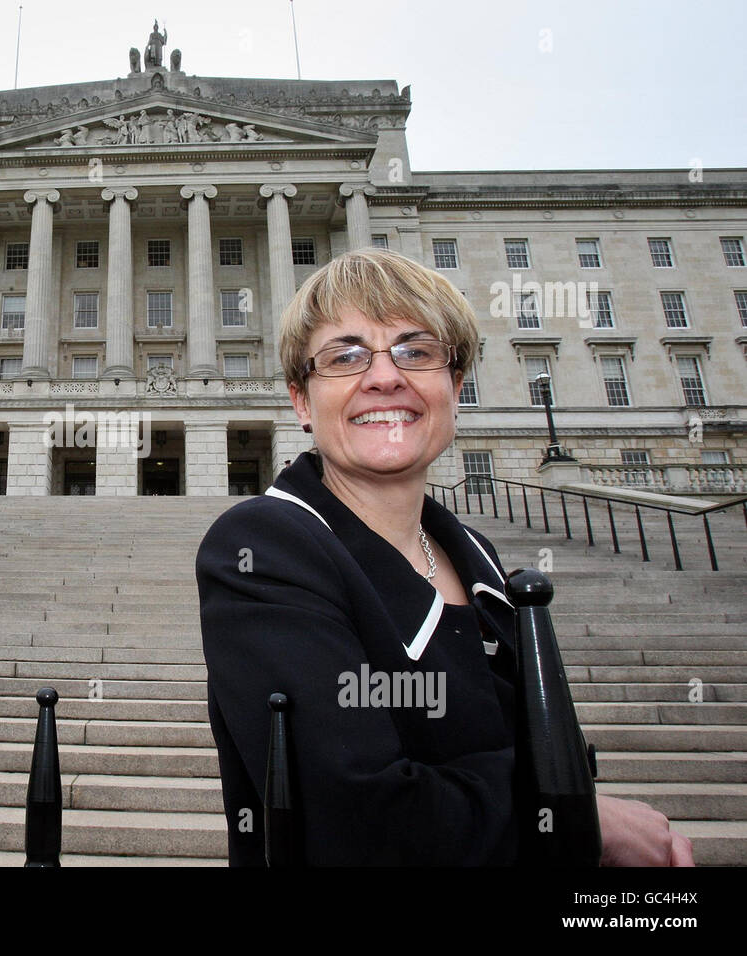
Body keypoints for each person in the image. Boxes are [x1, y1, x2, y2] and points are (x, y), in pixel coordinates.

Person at [196, 247, 694, 867]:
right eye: (345, 355)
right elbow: (355, 816)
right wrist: (576, 819)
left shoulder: (480, 557)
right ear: (301, 401)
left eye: (416, 351)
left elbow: (556, 751)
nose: (384, 377)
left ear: (455, 389)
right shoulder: (261, 546)